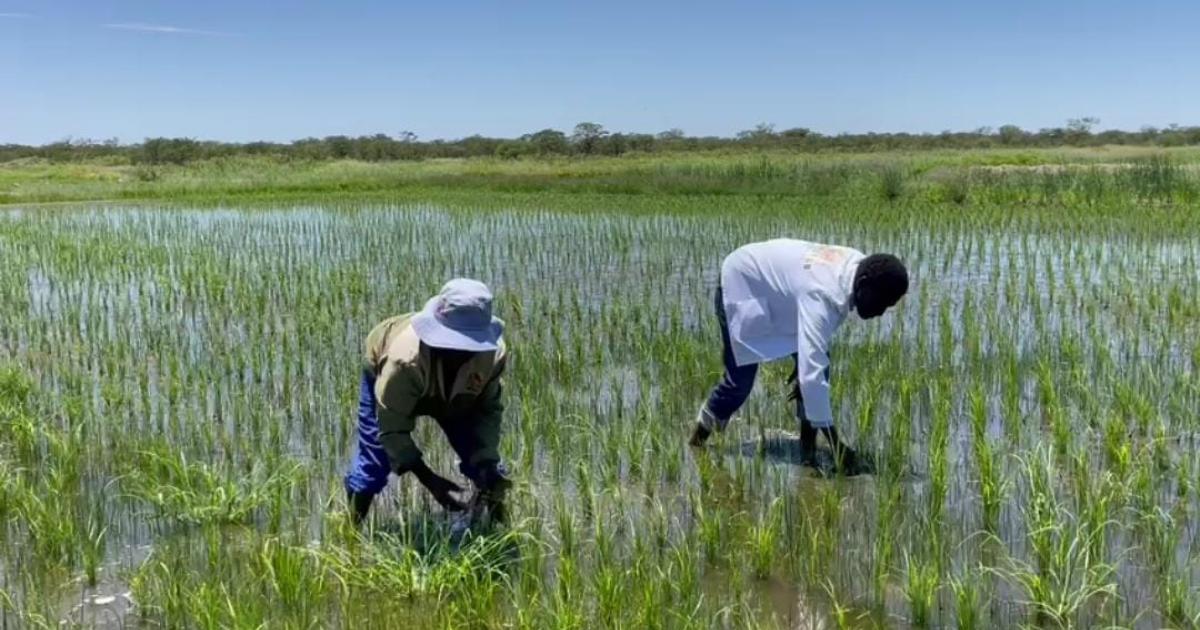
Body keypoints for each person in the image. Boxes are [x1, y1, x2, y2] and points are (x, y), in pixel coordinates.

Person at [689, 239, 908, 474]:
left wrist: (805, 361)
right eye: (881, 302)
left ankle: (808, 451)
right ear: (863, 284)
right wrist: (837, 447)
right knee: (739, 381)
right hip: (742, 282)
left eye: (888, 306)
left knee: (816, 365)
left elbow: (813, 364)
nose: (881, 312)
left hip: (783, 294)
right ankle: (697, 443)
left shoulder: (859, 270)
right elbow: (811, 378)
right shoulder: (822, 296)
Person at [344, 278, 511, 525]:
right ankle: (350, 532)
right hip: (391, 370)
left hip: (456, 394)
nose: (460, 352)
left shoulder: (492, 357)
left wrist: (485, 461)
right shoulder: (404, 361)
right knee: (374, 463)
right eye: (453, 343)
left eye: (468, 346)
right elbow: (391, 429)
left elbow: (487, 413)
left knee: (487, 467)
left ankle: (502, 534)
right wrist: (429, 479)